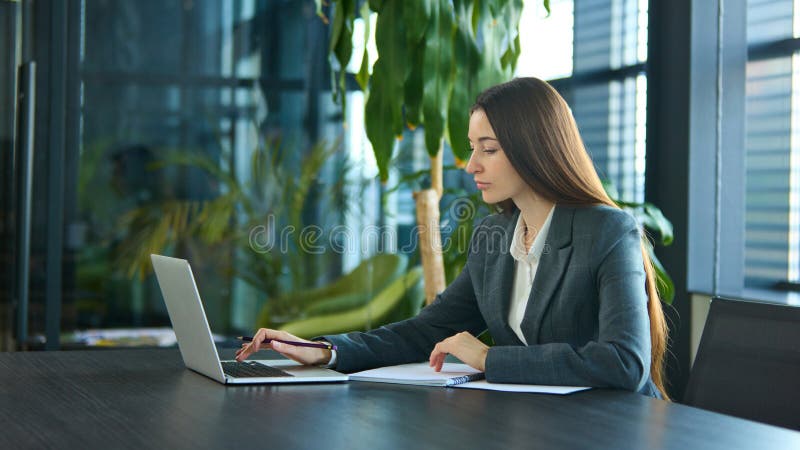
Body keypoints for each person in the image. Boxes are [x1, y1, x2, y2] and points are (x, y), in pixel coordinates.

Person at [235, 77, 670, 399]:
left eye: (489, 149)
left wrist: (488, 359)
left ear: (534, 148)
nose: (471, 165)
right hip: (539, 425)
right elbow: (427, 330)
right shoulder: (495, 235)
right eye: (472, 147)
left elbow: (624, 362)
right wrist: (326, 352)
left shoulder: (607, 231)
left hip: (615, 428)